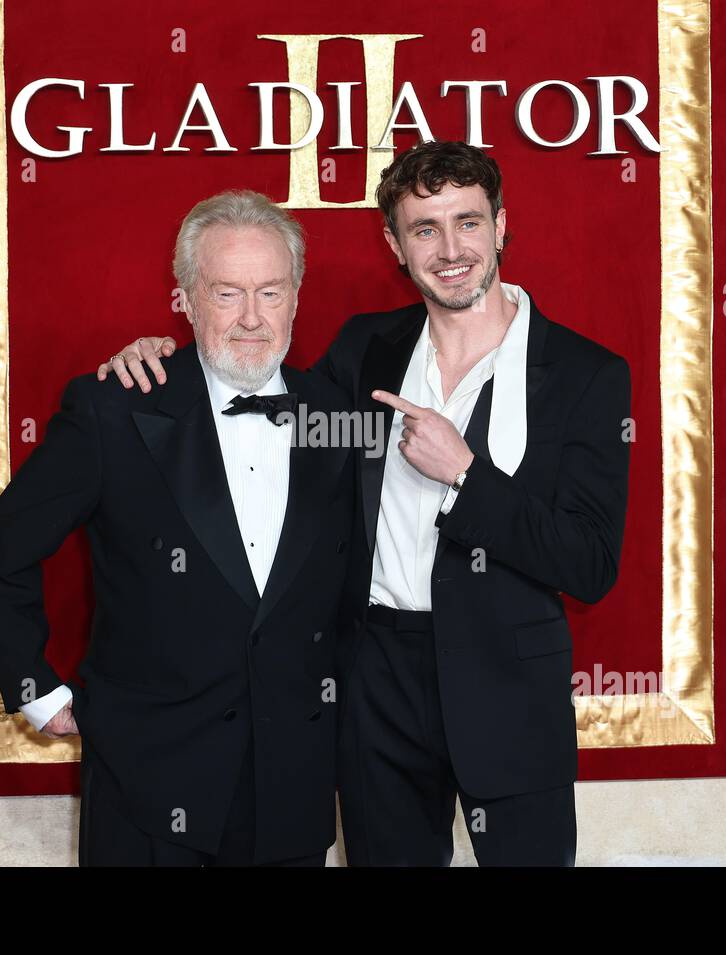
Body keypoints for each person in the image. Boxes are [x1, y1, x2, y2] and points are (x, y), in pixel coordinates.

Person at [99, 141, 632, 865]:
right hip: (373, 680)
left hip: (508, 686)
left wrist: (466, 477)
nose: (450, 249)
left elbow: (591, 563)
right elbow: (259, 409)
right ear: (395, 244)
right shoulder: (365, 350)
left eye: (468, 223)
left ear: (501, 227)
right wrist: (162, 366)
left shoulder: (587, 375)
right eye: (424, 229)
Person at [0, 190, 354, 866]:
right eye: (226, 293)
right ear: (185, 298)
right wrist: (35, 688)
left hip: (290, 794)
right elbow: (4, 550)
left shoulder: (339, 416)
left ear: (296, 296)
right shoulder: (115, 408)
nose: (250, 319)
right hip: (147, 786)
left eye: (270, 292)